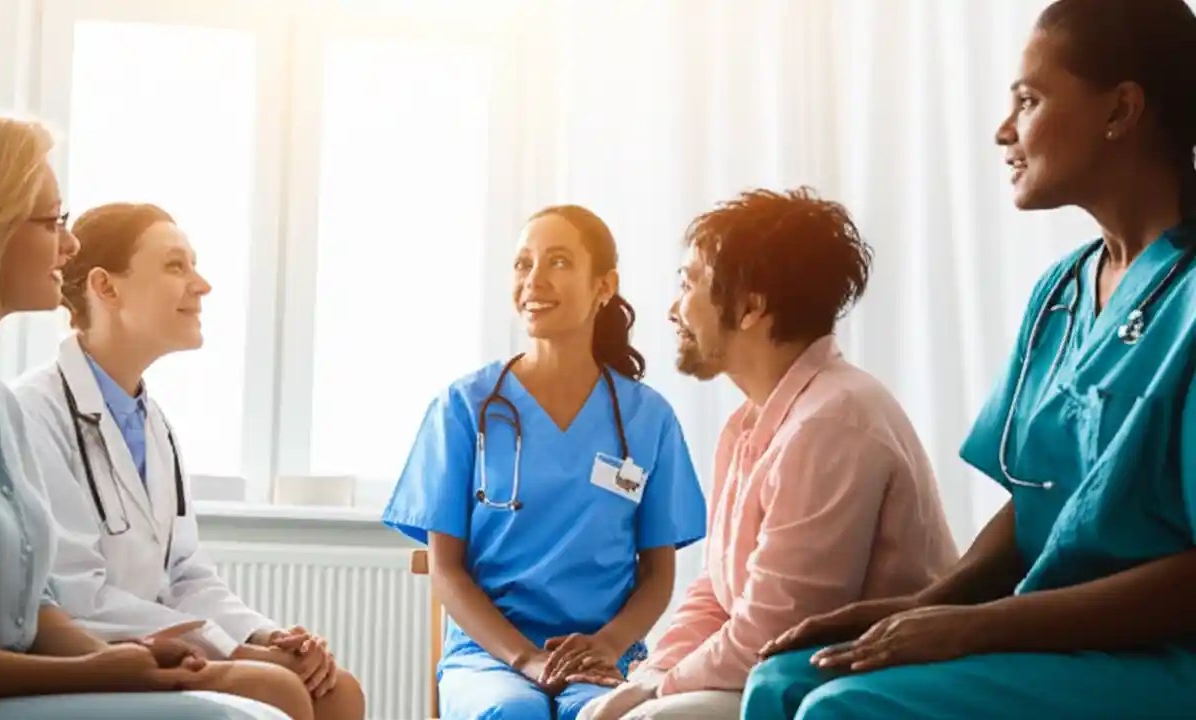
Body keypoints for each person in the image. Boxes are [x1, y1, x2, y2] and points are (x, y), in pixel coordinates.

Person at [743, 1, 1196, 718]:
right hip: (1049, 636)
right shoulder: (1061, 294)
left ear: (1121, 110)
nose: (1004, 130)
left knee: (845, 708)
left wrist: (976, 626)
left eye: (1029, 99)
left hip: (1165, 654)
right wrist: (916, 607)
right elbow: (1040, 505)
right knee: (779, 682)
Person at [0, 109, 307, 719]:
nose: (68, 245)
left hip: (34, 674)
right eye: (52, 222)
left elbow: (38, 605)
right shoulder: (10, 409)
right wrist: (100, 666)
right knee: (257, 708)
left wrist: (142, 660)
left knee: (298, 694)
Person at [578, 189, 958, 720]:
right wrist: (650, 674)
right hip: (777, 667)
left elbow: (772, 631)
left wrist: (655, 694)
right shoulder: (751, 422)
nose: (671, 309)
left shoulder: (831, 422)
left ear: (752, 306)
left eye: (688, 283)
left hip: (854, 683)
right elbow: (718, 590)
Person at [12, 202, 365, 720]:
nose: (201, 285)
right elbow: (74, 595)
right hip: (98, 652)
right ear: (106, 288)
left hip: (162, 640)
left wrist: (268, 635)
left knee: (338, 691)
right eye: (176, 266)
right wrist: (235, 650)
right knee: (277, 691)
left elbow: (187, 575)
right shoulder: (34, 411)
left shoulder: (152, 422)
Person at [382, 205, 708, 719]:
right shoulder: (464, 407)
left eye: (557, 261)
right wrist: (525, 657)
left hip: (603, 655)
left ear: (604, 285)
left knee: (606, 714)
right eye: (522, 264)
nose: (534, 280)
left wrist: (608, 645)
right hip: (489, 656)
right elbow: (446, 568)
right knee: (513, 712)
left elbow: (657, 575)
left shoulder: (648, 419)